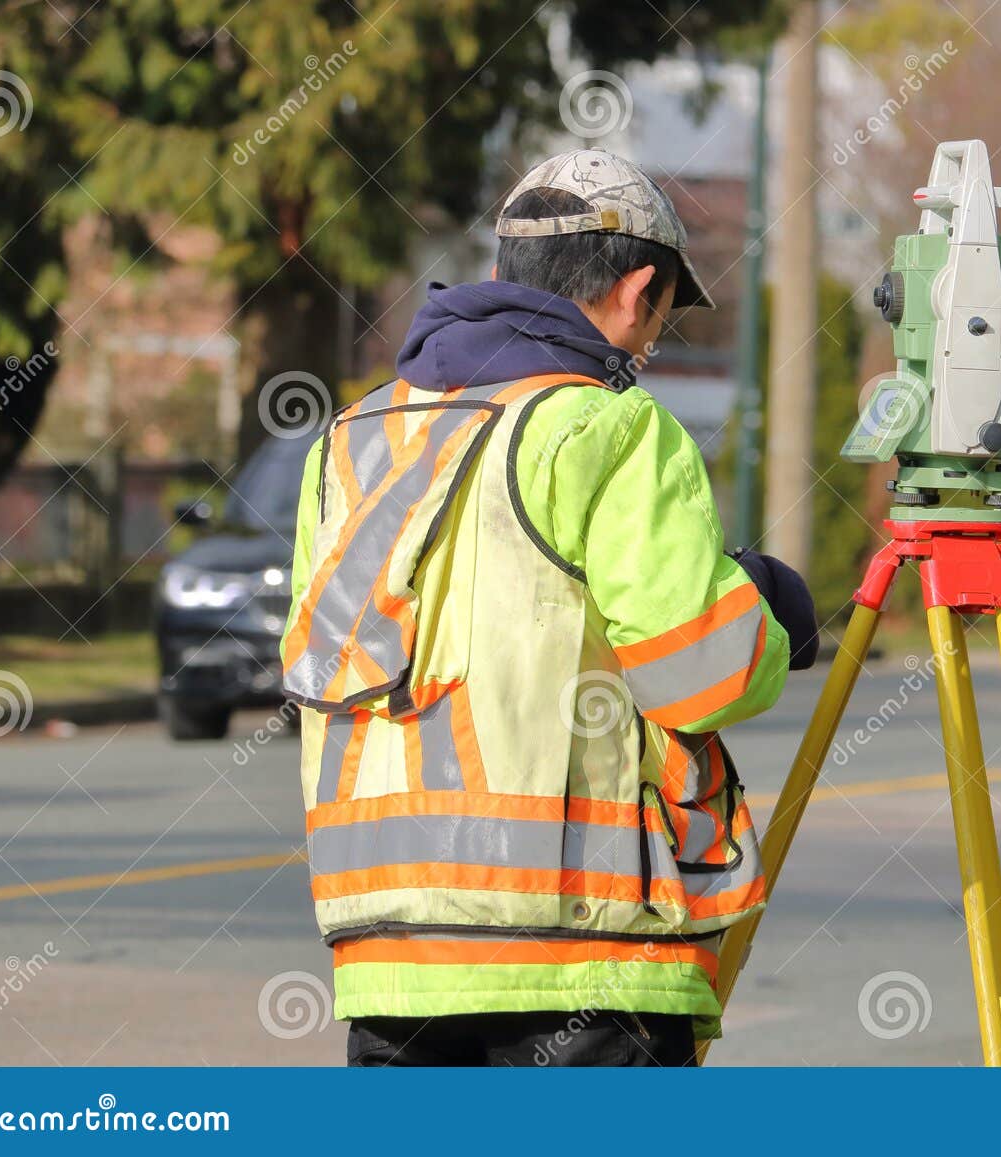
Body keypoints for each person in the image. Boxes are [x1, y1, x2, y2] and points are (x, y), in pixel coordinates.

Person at [281, 148, 818, 1067]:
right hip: (580, 947)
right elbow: (703, 672)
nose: (646, 345)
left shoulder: (351, 440)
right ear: (636, 287)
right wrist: (766, 607)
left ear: (503, 274)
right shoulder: (605, 427)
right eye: (659, 317)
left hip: (389, 956)